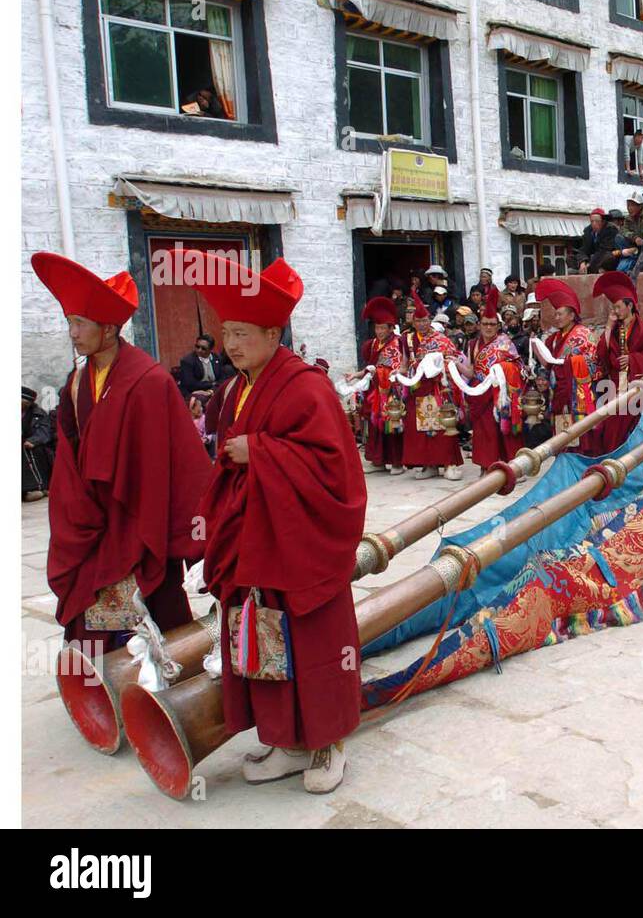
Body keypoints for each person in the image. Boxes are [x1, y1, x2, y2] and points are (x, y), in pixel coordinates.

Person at [185, 250, 366, 794]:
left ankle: (328, 743)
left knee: (310, 641)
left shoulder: (305, 385)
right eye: (227, 333)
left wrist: (260, 452)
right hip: (253, 539)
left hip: (299, 544)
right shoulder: (239, 388)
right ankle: (286, 740)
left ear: (271, 332)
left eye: (242, 332)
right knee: (262, 638)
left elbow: (336, 471)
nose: (232, 344)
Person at [33, 252, 209, 654]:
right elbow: (70, 450)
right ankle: (97, 689)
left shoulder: (149, 380)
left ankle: (163, 690)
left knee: (154, 612)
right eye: (70, 323)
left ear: (110, 329)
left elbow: (178, 460)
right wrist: (77, 507)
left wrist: (190, 534)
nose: (73, 333)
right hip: (94, 519)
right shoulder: (78, 380)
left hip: (138, 519)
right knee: (90, 610)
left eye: (80, 323)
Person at [593, 271, 643, 454]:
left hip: (636, 387)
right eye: (613, 308)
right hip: (615, 386)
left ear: (629, 305)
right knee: (611, 429)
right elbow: (602, 353)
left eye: (617, 307)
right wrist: (608, 326)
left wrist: (633, 359)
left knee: (631, 430)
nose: (615, 311)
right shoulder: (615, 329)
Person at [460, 287, 525, 472]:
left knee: (505, 431)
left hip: (501, 394)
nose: (488, 327)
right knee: (484, 431)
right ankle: (486, 465)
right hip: (481, 393)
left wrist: (503, 371)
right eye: (485, 324)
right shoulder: (472, 344)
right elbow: (471, 372)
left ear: (498, 326)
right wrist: (454, 365)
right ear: (479, 325)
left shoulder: (505, 343)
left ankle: (512, 466)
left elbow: (519, 367)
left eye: (492, 324)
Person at [533, 277, 601, 455]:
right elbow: (548, 364)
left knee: (580, 439)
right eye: (555, 314)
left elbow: (593, 363)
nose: (557, 318)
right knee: (563, 438)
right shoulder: (553, 339)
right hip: (558, 393)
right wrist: (537, 349)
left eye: (560, 314)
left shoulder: (584, 335)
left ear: (572, 315)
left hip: (578, 394)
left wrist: (570, 363)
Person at [402, 297, 464, 481]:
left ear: (430, 320)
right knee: (422, 428)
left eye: (424, 320)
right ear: (413, 321)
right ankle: (429, 465)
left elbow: (452, 357)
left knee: (443, 425)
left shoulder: (440, 339)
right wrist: (398, 377)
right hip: (418, 387)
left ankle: (449, 464)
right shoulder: (408, 339)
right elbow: (405, 363)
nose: (421, 324)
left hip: (438, 386)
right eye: (418, 321)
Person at [348, 296, 407, 474]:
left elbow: (399, 365)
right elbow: (371, 367)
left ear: (391, 328)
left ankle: (397, 463)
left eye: (383, 328)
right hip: (375, 390)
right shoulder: (373, 344)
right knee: (374, 425)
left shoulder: (398, 342)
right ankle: (378, 461)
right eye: (377, 327)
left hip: (391, 390)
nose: (379, 331)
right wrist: (356, 375)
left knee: (391, 423)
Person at [22, 385, 55, 501]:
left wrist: (33, 441)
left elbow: (44, 432)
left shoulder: (38, 414)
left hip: (32, 445)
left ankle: (36, 488)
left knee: (32, 451)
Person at [178, 333, 227, 399]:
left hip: (213, 390)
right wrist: (212, 384)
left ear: (211, 349)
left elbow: (222, 379)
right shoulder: (187, 361)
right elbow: (190, 384)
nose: (199, 350)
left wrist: (212, 390)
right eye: (197, 347)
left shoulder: (217, 358)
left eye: (203, 348)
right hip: (195, 392)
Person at [577, 209, 619, 274]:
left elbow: (604, 249)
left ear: (603, 221)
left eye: (597, 221)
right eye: (592, 221)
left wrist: (589, 263)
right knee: (570, 258)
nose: (594, 224)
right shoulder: (588, 231)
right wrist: (582, 262)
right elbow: (584, 249)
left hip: (605, 256)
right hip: (592, 258)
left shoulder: (610, 229)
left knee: (608, 257)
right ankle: (586, 269)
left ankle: (594, 270)